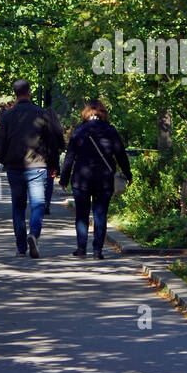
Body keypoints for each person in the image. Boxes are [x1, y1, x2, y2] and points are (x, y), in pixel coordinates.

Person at [0, 79, 65, 258]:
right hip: (38, 166)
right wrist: (53, 165)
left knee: (18, 206)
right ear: (29, 92)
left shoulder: (7, 116)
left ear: (15, 94)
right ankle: (34, 233)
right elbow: (51, 143)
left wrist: (3, 159)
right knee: (38, 204)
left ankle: (20, 247)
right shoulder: (41, 113)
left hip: (14, 166)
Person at [59, 99, 132, 260]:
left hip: (81, 179)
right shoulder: (110, 130)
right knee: (101, 215)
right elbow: (120, 154)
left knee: (82, 215)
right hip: (104, 179)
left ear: (86, 113)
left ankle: (81, 248)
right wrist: (128, 173)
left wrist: (64, 179)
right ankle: (97, 250)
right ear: (103, 113)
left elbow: (69, 157)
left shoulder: (78, 131)